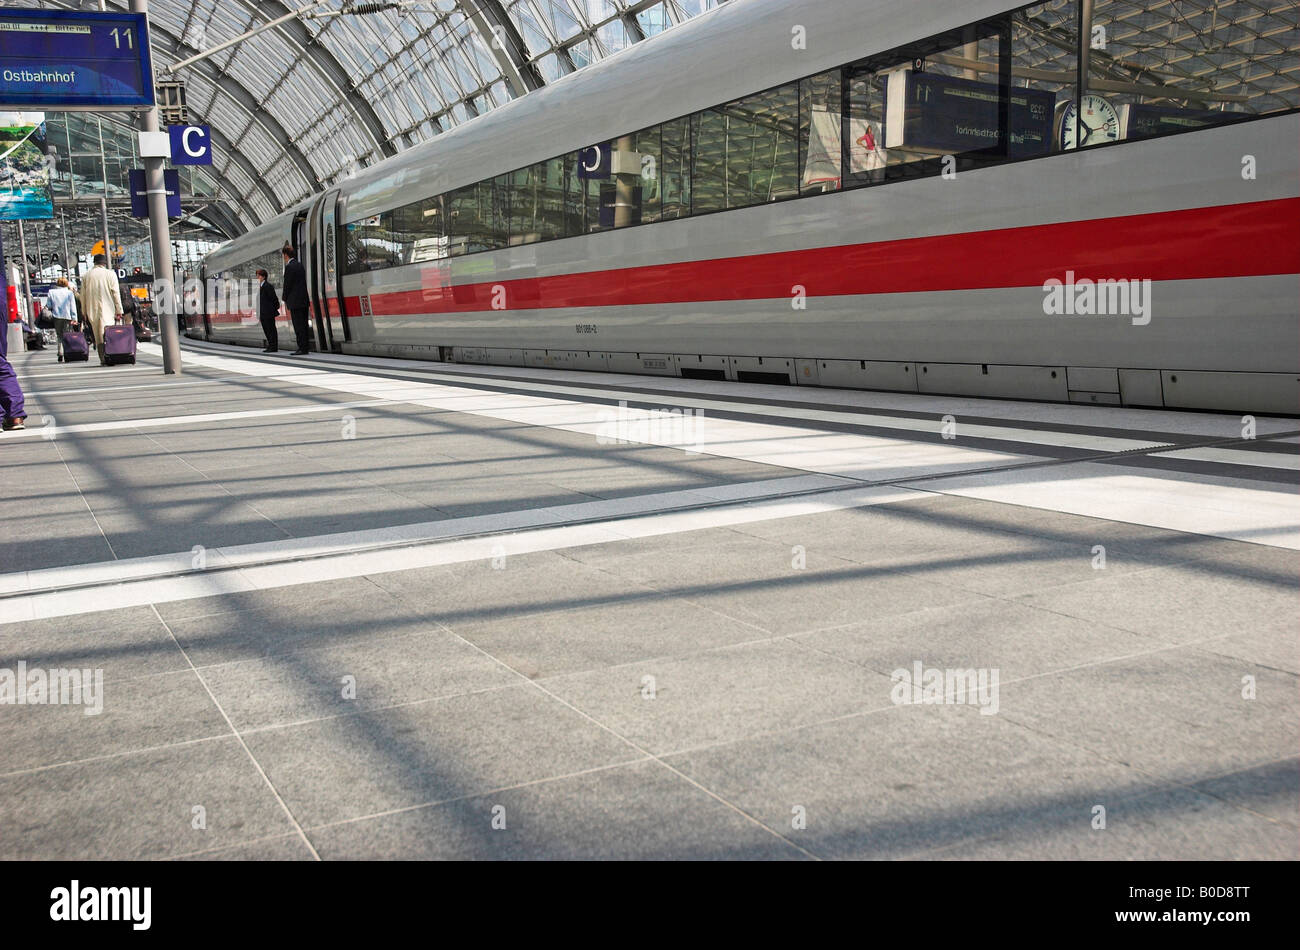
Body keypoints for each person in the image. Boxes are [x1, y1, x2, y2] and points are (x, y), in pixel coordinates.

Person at [80, 254, 125, 365]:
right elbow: (116, 293)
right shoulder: (110, 274)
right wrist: (119, 310)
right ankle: (112, 354)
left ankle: (103, 359)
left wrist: (84, 312)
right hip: (108, 309)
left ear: (94, 262)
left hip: (92, 309)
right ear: (104, 263)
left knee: (98, 335)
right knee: (109, 333)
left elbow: (83, 296)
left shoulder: (86, 276)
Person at [281, 243, 310, 356]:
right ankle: (305, 347)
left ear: (285, 255)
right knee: (304, 324)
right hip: (303, 300)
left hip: (295, 301)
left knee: (298, 325)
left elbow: (287, 285)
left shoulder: (289, 267)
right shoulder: (299, 265)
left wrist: (284, 298)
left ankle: (301, 348)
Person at [47, 277, 77, 363]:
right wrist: (74, 318)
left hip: (56, 317)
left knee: (59, 335)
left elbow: (49, 305)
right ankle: (67, 353)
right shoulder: (69, 293)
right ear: (66, 284)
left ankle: (60, 353)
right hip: (67, 317)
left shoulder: (51, 292)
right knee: (67, 335)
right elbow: (72, 306)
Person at [256, 268, 280, 352]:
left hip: (268, 312)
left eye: (258, 276)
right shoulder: (261, 286)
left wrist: (273, 308)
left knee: (271, 330)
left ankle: (273, 347)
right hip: (263, 313)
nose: (257, 278)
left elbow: (273, 298)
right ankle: (271, 346)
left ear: (263, 277)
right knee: (267, 329)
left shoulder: (267, 286)